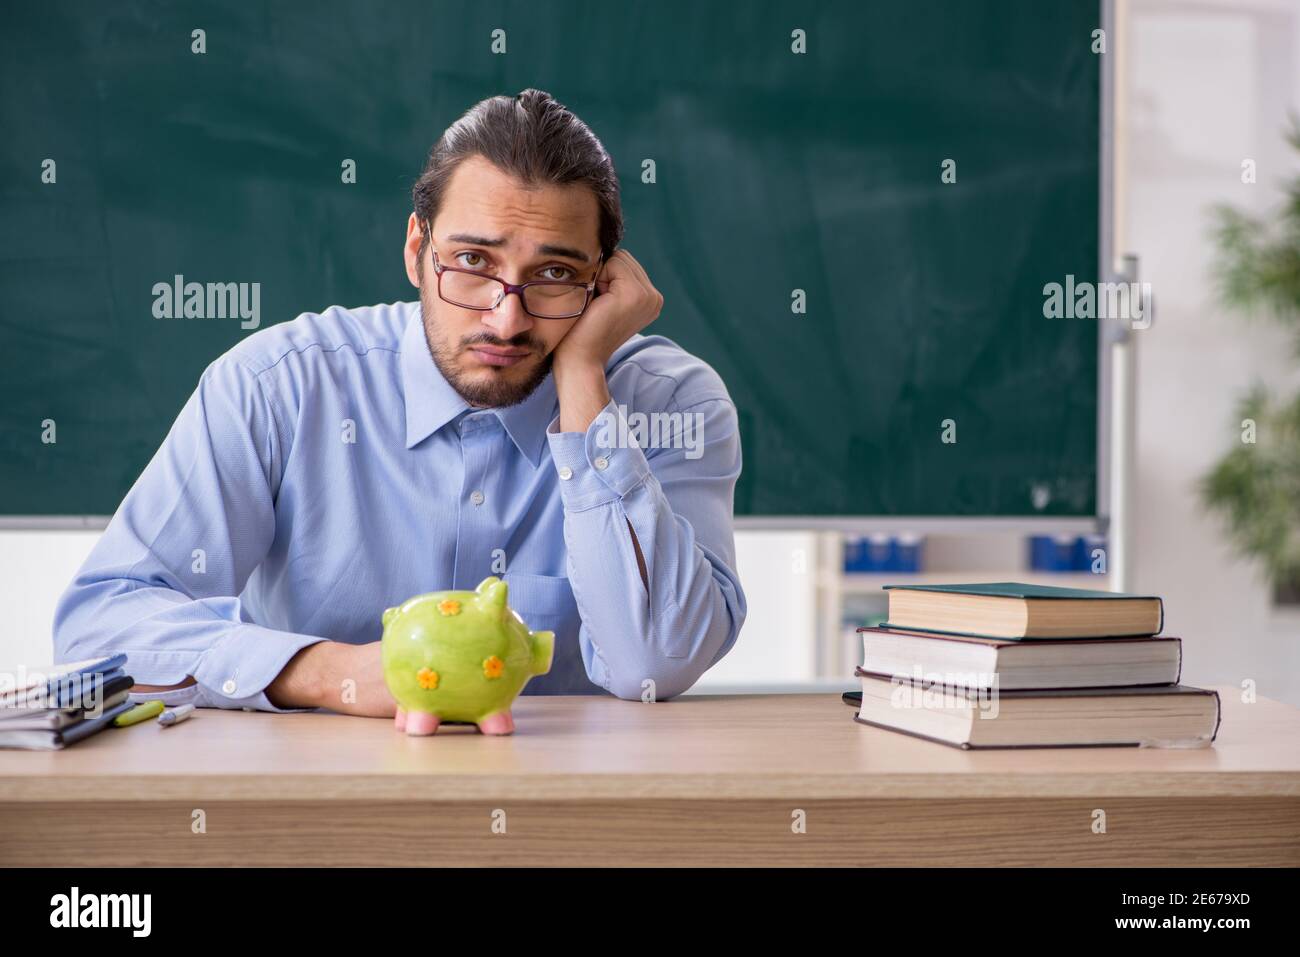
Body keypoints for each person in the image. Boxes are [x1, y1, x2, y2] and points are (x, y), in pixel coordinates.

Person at [53, 88, 747, 728]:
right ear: (417, 250)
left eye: (556, 274)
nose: (507, 320)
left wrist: (584, 381)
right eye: (473, 262)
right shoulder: (277, 386)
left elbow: (654, 662)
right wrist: (332, 672)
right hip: (318, 821)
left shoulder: (669, 403)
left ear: (604, 284)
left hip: (574, 830)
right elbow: (102, 622)